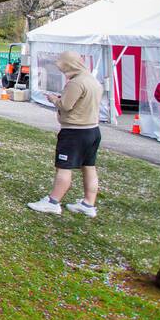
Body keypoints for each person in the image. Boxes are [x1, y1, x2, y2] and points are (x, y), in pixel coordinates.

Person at [28, 51, 102, 217]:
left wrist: (54, 99)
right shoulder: (92, 80)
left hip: (75, 132)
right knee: (89, 167)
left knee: (64, 167)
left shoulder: (76, 83)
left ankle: (53, 202)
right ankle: (88, 203)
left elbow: (66, 105)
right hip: (93, 130)